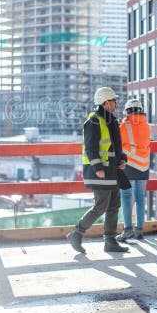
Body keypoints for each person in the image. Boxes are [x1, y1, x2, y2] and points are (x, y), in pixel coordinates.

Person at [66, 87, 129, 254]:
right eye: (114, 100)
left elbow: (115, 145)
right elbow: (91, 147)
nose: (116, 103)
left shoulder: (111, 120)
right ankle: (76, 233)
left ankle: (110, 241)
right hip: (100, 172)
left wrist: (122, 159)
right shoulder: (94, 120)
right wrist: (97, 167)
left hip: (112, 170)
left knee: (114, 205)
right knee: (100, 206)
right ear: (106, 103)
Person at [117, 98, 151, 242]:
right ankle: (139, 230)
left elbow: (117, 142)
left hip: (129, 164)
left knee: (126, 196)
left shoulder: (125, 125)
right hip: (144, 164)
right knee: (140, 198)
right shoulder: (147, 125)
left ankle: (127, 230)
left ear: (128, 111)